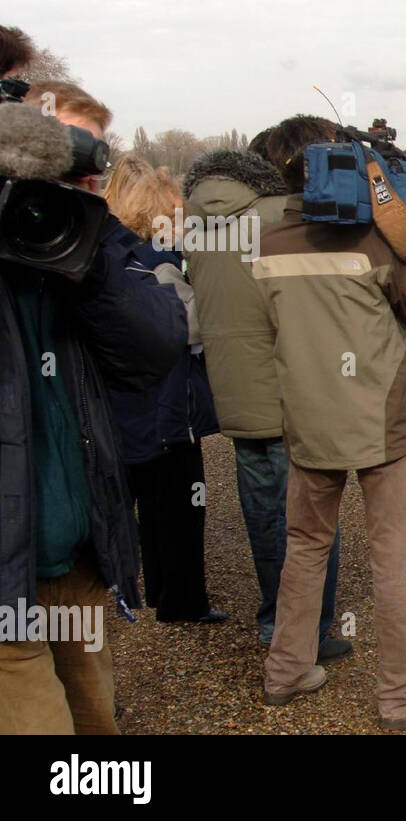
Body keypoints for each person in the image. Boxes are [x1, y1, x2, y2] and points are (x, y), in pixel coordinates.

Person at [0, 80, 187, 733]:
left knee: (94, 714)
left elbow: (156, 346)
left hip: (75, 544)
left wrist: (88, 249)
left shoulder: (72, 240)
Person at [252, 115, 406, 729]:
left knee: (306, 547)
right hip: (381, 419)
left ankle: (285, 671)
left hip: (307, 420)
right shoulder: (372, 239)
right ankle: (399, 695)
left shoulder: (268, 244)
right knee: (394, 557)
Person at [183, 148, 350, 660]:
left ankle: (273, 620)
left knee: (264, 518)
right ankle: (310, 634)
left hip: (236, 398)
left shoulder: (194, 231)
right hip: (293, 396)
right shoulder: (281, 217)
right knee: (311, 524)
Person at [103, 156, 223, 622]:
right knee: (180, 510)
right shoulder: (158, 264)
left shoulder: (111, 258)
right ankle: (181, 600)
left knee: (139, 505)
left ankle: (139, 591)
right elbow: (188, 327)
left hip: (124, 406)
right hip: (167, 408)